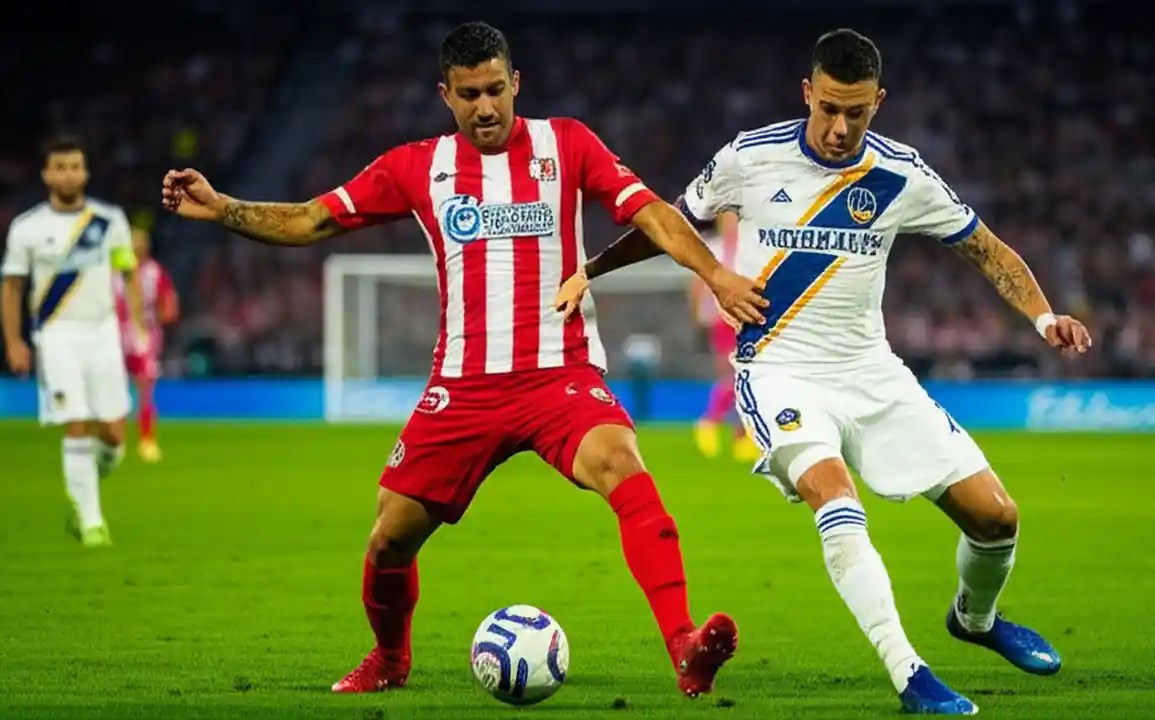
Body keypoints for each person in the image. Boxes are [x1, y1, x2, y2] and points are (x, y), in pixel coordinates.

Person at [160, 21, 767, 697]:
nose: (485, 107)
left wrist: (715, 274)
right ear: (445, 95)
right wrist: (223, 209)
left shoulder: (566, 144)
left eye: (495, 90)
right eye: (469, 94)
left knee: (624, 467)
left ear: (516, 84)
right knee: (389, 540)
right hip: (463, 388)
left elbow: (650, 212)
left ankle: (685, 646)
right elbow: (311, 220)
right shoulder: (415, 166)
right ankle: (389, 659)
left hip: (556, 375)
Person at [557, 29, 1092, 715]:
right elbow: (667, 222)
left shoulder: (904, 175)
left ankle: (975, 622)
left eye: (858, 113)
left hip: (872, 372)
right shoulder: (750, 158)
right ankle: (910, 675)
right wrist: (593, 270)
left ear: (880, 103)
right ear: (807, 92)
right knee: (838, 503)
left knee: (997, 520)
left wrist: (1045, 319)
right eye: (829, 108)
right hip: (777, 370)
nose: (840, 128)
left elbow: (988, 251)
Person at [1, 136, 148, 548]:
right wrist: (14, 341)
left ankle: (85, 488)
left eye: (75, 166)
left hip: (102, 333)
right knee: (76, 422)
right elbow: (12, 288)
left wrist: (136, 326)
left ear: (85, 172)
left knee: (115, 437)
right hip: (57, 335)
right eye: (60, 167)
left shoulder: (109, 221)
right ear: (47, 173)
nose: (69, 173)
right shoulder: (27, 228)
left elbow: (129, 274)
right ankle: (91, 522)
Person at [690, 212, 755, 461]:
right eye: (729, 220)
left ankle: (743, 433)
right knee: (732, 374)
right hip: (723, 319)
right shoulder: (715, 248)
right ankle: (711, 421)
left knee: (749, 375)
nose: (733, 224)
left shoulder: (753, 247)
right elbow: (698, 282)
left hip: (749, 316)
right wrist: (699, 313)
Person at [113, 223, 178, 463]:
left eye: (140, 244)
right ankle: (114, 440)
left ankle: (147, 440)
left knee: (145, 390)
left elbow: (168, 302)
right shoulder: (115, 273)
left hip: (145, 335)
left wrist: (160, 318)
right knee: (113, 389)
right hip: (118, 334)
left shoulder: (154, 272)